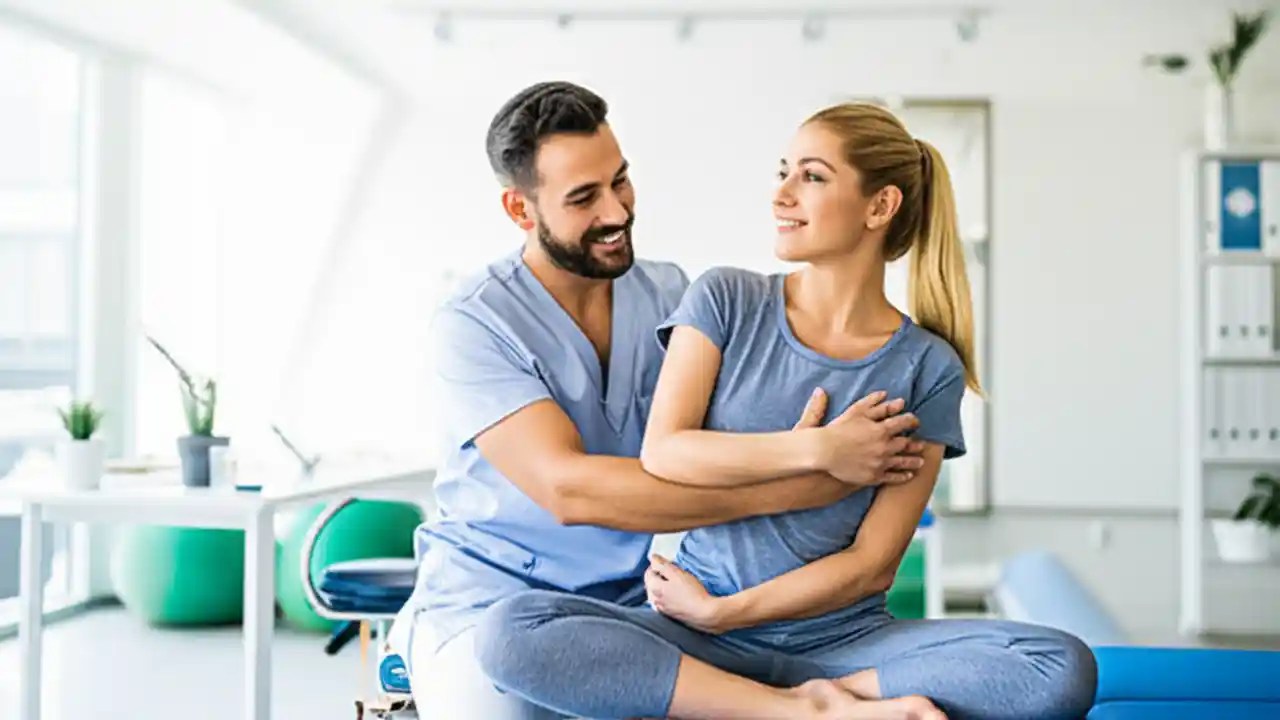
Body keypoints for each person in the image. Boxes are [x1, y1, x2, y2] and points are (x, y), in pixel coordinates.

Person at [474, 102, 1099, 719]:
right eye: (783, 172)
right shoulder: (725, 298)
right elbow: (665, 451)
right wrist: (818, 451)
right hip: (697, 640)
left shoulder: (926, 367)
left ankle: (773, 703)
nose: (782, 195)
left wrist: (726, 612)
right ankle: (807, 712)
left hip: (840, 645)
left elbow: (871, 567)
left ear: (879, 207)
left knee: (1058, 667)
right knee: (512, 631)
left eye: (813, 176)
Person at [387, 82, 929, 718]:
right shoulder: (475, 324)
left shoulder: (673, 293)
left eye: (621, 181)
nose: (616, 211)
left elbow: (741, 435)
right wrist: (802, 482)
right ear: (520, 209)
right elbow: (572, 491)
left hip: (638, 603)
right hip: (488, 602)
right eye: (584, 198)